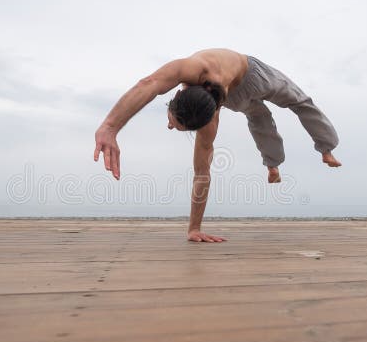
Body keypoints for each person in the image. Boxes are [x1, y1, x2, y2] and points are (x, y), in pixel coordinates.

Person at [94, 48, 342, 242]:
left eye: (171, 122)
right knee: (258, 117)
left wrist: (110, 127)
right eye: (176, 126)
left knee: (299, 101)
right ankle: (273, 165)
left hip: (255, 74)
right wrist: (194, 228)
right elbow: (202, 173)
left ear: (178, 94)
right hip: (230, 94)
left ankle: (326, 147)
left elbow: (148, 84)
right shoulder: (209, 116)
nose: (169, 126)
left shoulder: (195, 68)